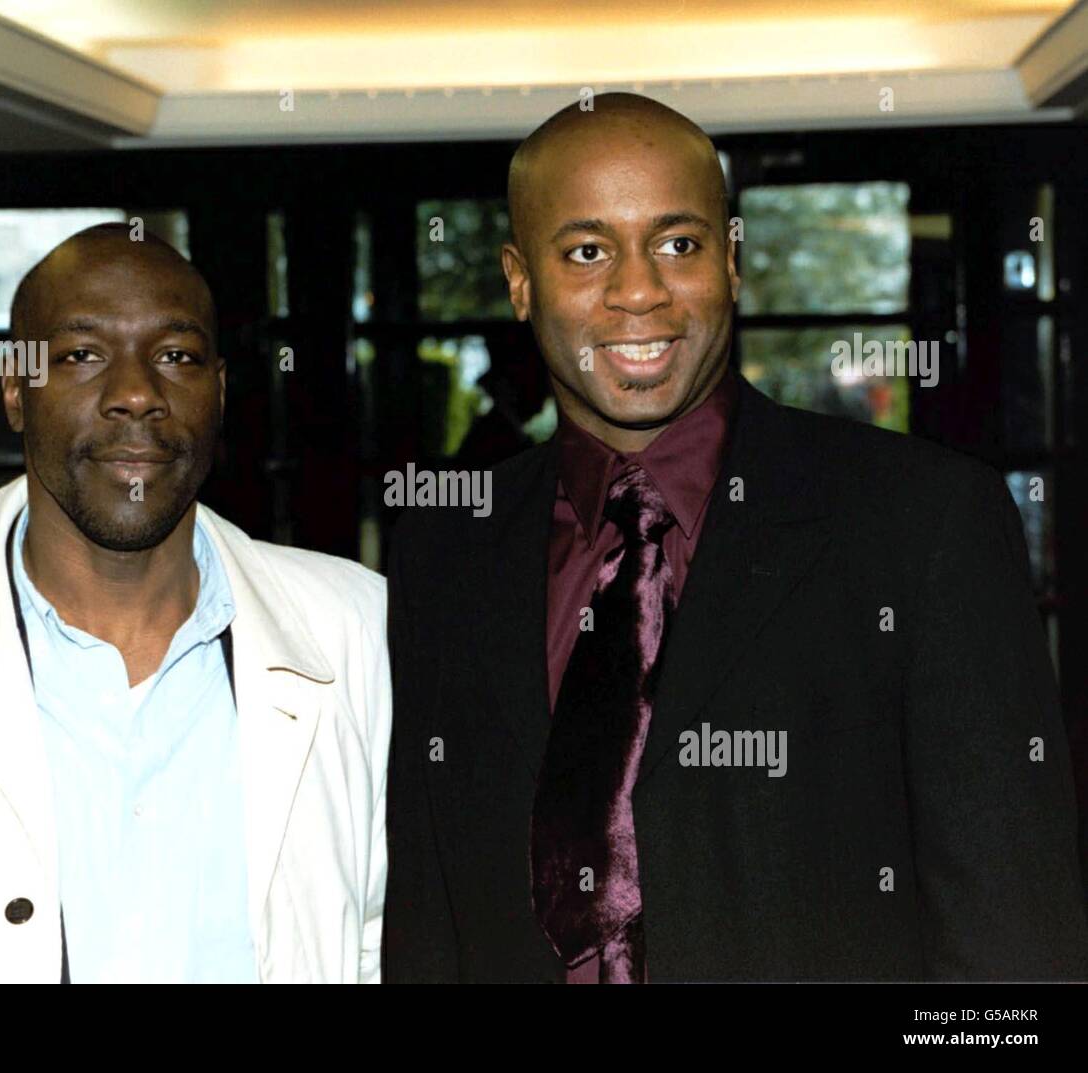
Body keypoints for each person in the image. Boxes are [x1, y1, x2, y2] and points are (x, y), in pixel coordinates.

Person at [382, 94, 1088, 982]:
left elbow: (1016, 945)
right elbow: (427, 918)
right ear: (520, 281)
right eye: (588, 251)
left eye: (679, 244)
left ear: (734, 261)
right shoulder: (444, 550)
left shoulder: (923, 524)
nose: (638, 290)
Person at [0, 224, 389, 983]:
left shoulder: (361, 632)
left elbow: (385, 937)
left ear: (221, 390)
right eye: (80, 355)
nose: (136, 393)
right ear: (15, 388)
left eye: (176, 356)